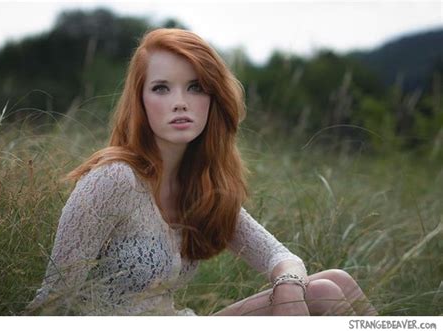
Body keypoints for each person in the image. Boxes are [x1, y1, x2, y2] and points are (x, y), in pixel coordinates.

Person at [26, 28, 378, 316]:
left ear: (213, 97)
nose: (180, 101)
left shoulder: (199, 186)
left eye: (195, 87)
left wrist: (287, 284)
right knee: (325, 293)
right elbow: (52, 302)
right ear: (140, 101)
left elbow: (280, 257)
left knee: (336, 283)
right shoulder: (114, 179)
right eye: (161, 88)